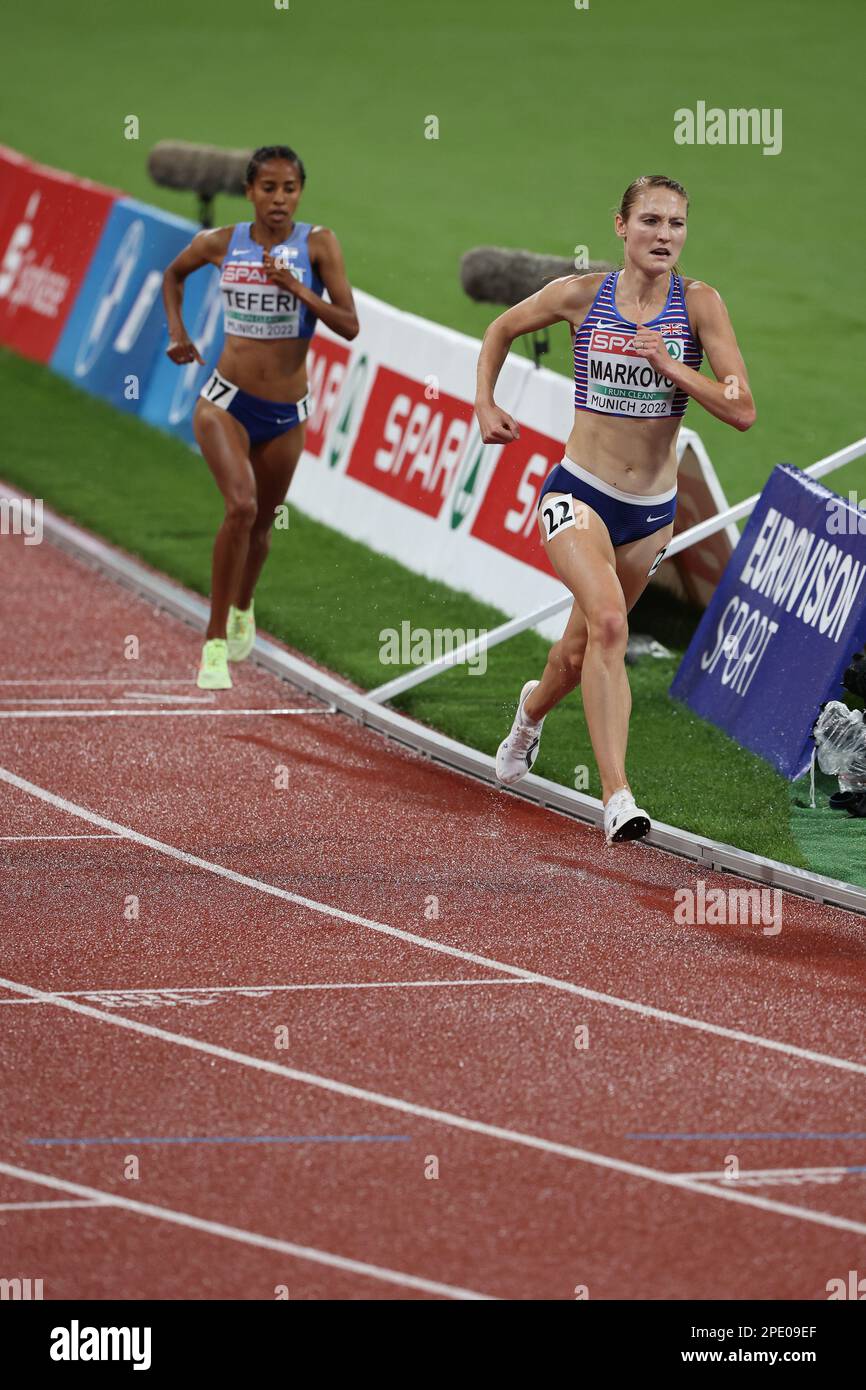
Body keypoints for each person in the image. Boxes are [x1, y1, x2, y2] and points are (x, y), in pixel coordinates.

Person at [475, 175, 755, 843]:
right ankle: (617, 796)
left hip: (650, 514)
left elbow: (741, 409)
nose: (664, 235)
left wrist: (673, 367)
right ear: (621, 227)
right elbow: (501, 329)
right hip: (578, 493)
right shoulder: (582, 296)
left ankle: (529, 717)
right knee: (607, 625)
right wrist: (485, 404)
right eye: (651, 221)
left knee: (575, 655)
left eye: (677, 224)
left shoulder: (699, 306)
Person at [162, 144, 359, 689]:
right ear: (249, 192)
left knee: (264, 521)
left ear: (300, 193)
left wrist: (296, 288)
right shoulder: (223, 243)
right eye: (267, 188)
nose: (278, 199)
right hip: (225, 401)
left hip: (286, 412)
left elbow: (349, 324)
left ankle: (244, 604)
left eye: (289, 189)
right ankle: (213, 642)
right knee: (241, 507)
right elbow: (173, 276)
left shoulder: (319, 245)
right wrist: (177, 333)